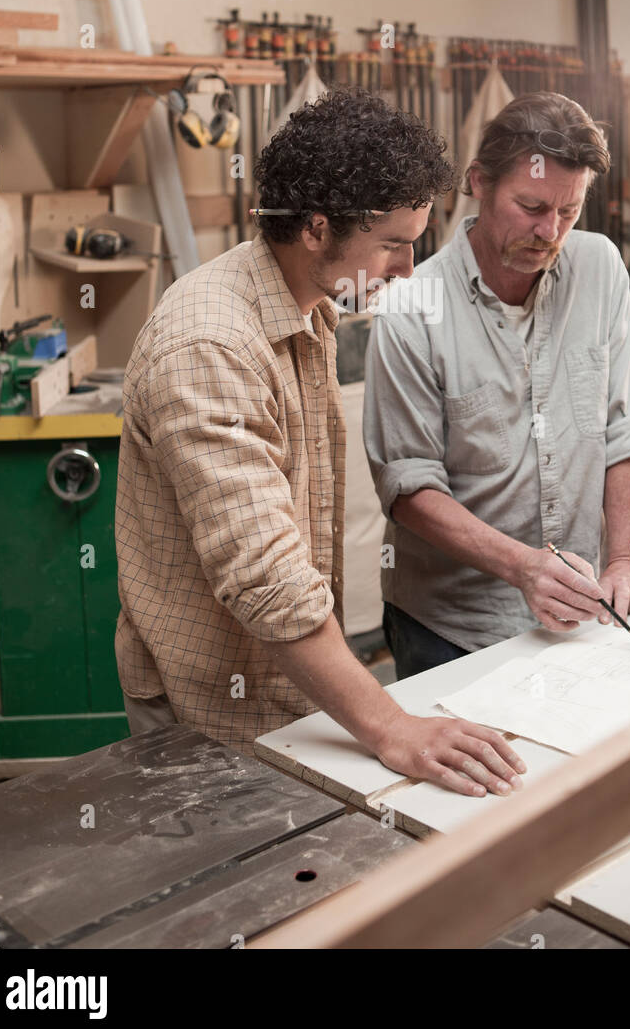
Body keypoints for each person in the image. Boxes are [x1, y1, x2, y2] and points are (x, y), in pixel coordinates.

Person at [115, 88, 527, 799]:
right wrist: (390, 726)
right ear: (314, 228)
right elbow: (266, 577)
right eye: (394, 244)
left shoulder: (307, 308)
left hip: (289, 692)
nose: (406, 269)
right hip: (211, 708)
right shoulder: (209, 343)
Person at [364, 92, 630, 679]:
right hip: (453, 629)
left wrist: (627, 560)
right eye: (530, 206)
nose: (549, 231)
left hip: (578, 614)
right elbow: (408, 489)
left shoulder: (599, 268)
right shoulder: (410, 307)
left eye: (569, 212)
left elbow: (624, 433)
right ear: (479, 183)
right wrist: (523, 567)